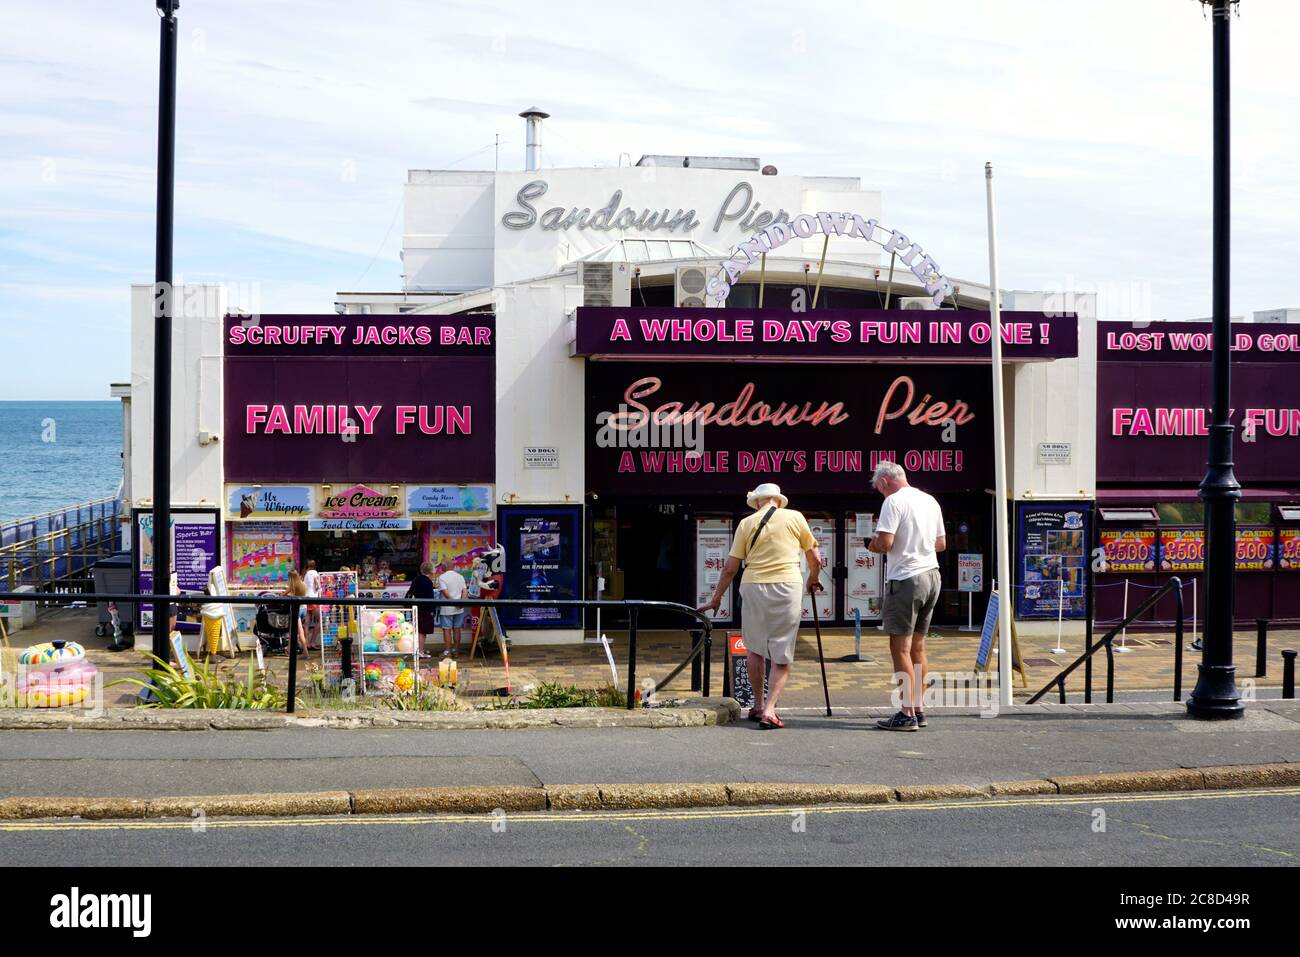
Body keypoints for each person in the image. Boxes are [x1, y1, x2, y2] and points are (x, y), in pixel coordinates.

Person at [698, 483, 822, 730]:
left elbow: (730, 568)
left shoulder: (746, 523)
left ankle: (756, 704)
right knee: (782, 651)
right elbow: (815, 558)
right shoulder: (796, 517)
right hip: (788, 585)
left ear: (757, 502)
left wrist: (716, 599)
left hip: (753, 586)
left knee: (754, 649)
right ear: (777, 499)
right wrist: (813, 579)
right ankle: (770, 709)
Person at [867, 461, 946, 731]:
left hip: (906, 578)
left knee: (899, 648)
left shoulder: (893, 502)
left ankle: (906, 712)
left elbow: (885, 543)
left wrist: (872, 543)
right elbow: (941, 544)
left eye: (879, 488)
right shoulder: (930, 500)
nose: (881, 493)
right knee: (918, 648)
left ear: (885, 482)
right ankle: (919, 708)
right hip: (932, 575)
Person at [436, 562, 468, 659]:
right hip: (459, 608)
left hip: (447, 608)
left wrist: (453, 602)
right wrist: (461, 602)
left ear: (443, 567)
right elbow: (465, 591)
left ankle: (448, 652)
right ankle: (456, 651)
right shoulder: (460, 576)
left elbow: (445, 593)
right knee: (457, 629)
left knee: (447, 630)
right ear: (453, 566)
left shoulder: (442, 577)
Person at [410, 561, 438, 656]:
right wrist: (432, 610)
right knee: (422, 632)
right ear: (431, 571)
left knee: (420, 630)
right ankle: (420, 652)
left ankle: (420, 650)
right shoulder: (428, 582)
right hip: (425, 609)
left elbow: (410, 592)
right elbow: (430, 598)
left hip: (417, 608)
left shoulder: (416, 579)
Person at [199, 567, 227, 661]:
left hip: (214, 610)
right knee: (213, 634)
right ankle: (213, 652)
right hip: (212, 610)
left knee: (213, 635)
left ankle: (213, 652)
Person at [287, 568, 310, 657]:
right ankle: (289, 650)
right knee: (292, 630)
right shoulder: (303, 584)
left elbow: (283, 595)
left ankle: (306, 653)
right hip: (304, 609)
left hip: (296, 610)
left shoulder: (292, 586)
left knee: (300, 633)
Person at [303, 559, 321, 650]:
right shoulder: (314, 572)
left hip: (305, 598)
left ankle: (306, 643)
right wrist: (319, 588)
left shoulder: (305, 574)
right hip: (313, 598)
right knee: (321, 620)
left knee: (306, 623)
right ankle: (313, 642)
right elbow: (317, 584)